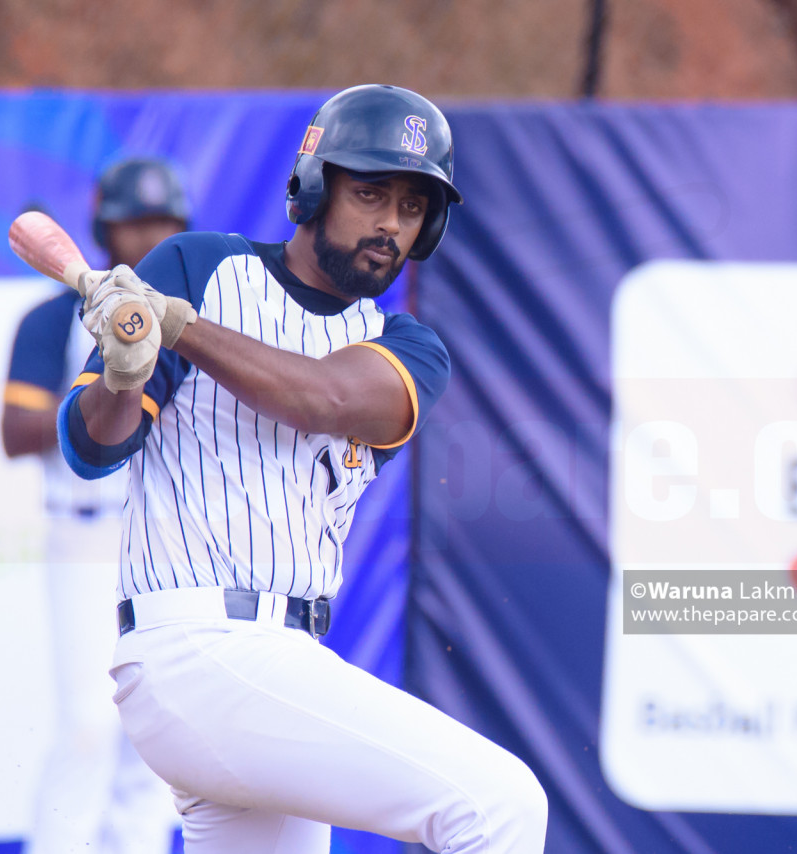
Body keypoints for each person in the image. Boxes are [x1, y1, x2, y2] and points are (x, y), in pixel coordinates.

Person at [54, 84, 548, 853]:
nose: (390, 223)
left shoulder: (409, 345)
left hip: (276, 667)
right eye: (372, 192)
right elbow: (92, 449)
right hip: (200, 648)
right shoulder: (198, 266)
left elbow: (318, 397)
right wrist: (122, 377)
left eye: (414, 207)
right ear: (316, 185)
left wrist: (180, 329)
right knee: (501, 805)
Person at [2, 157, 191, 854]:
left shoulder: (183, 325)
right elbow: (15, 432)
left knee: (152, 739)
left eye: (163, 223)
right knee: (88, 725)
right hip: (83, 534)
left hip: (162, 538)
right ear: (105, 229)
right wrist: (108, 387)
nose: (148, 237)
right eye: (134, 222)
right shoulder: (54, 319)